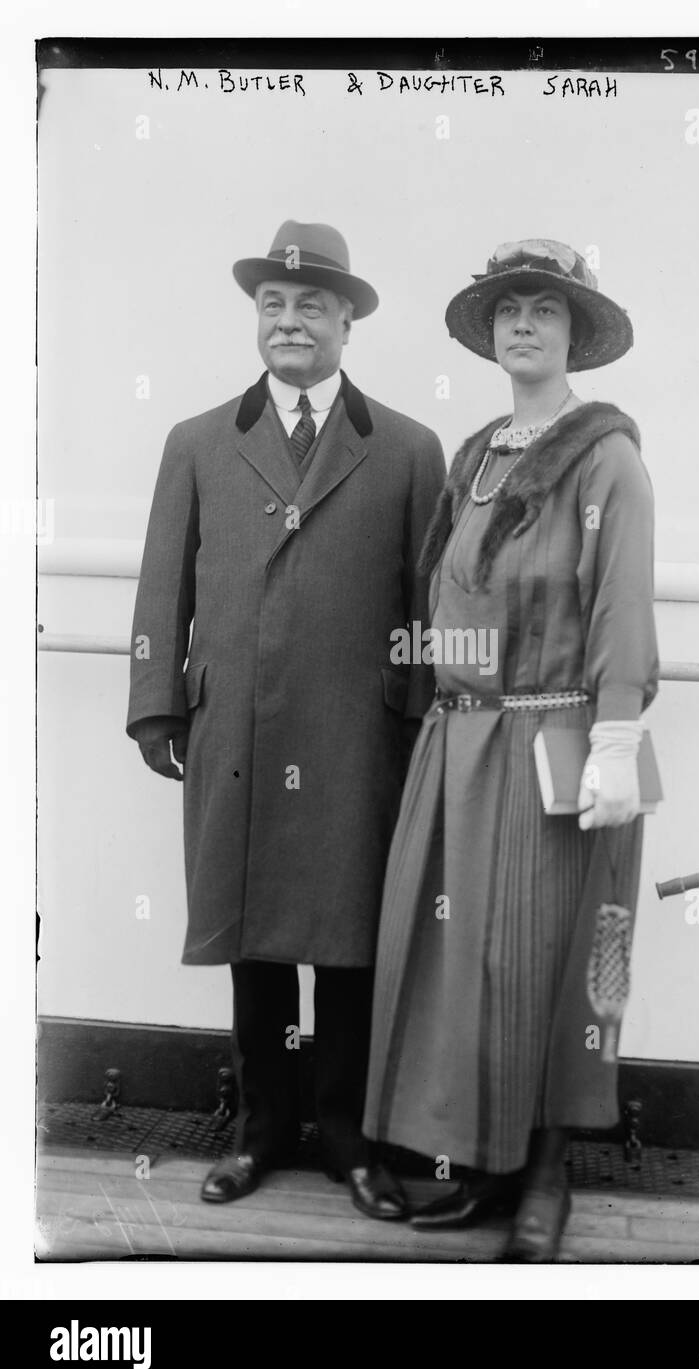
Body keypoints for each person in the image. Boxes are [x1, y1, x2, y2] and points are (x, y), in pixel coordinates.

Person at [126, 220, 446, 1220]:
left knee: (349, 938)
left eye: (312, 305)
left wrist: (422, 714)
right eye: (274, 303)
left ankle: (351, 1137)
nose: (290, 320)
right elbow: (158, 589)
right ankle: (259, 1128)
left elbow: (429, 607)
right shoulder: (195, 442)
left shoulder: (404, 448)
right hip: (238, 740)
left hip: (360, 737)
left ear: (346, 323)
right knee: (253, 935)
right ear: (256, 321)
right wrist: (155, 706)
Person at [362, 239, 659, 1261]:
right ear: (488, 333)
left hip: (562, 734)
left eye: (544, 308)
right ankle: (478, 1160)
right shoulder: (475, 449)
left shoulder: (605, 456)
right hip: (463, 740)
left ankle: (545, 1173)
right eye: (506, 309)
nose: (522, 323)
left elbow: (620, 602)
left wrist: (616, 734)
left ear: (575, 331)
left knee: (562, 959)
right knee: (468, 962)